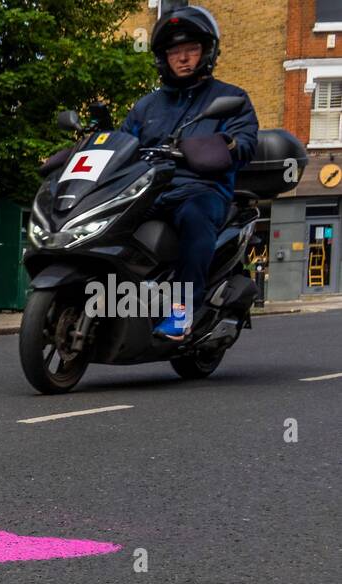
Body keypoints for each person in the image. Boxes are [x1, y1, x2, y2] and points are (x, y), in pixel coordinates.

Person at [121, 5, 259, 340]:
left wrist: (221, 146)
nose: (182, 58)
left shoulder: (231, 98)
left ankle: (182, 312)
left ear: (207, 52)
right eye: (175, 51)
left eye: (191, 50)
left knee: (194, 216)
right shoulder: (146, 106)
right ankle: (114, 300)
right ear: (163, 58)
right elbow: (123, 144)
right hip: (150, 190)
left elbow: (244, 143)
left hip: (202, 189)